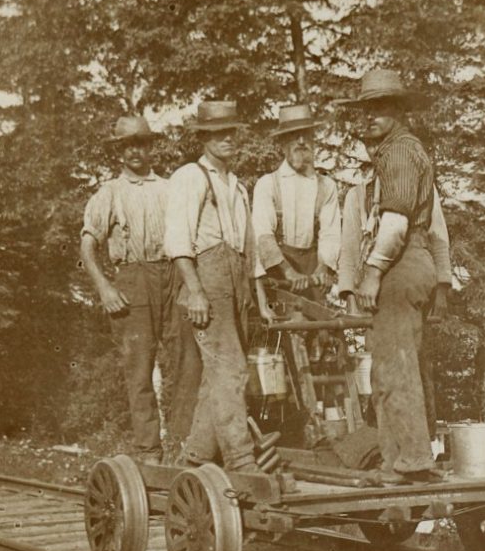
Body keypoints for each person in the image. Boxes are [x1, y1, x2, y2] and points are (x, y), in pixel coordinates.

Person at [337, 69, 442, 481]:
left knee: (394, 366)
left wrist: (373, 273)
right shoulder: (399, 151)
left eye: (380, 108)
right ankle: (395, 459)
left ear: (399, 110)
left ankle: (411, 459)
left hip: (401, 261)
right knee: (391, 364)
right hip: (410, 261)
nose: (370, 117)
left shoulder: (399, 152)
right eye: (366, 109)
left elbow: (396, 224)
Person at [80, 115, 201, 465]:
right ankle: (149, 451)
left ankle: (186, 446)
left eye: (142, 144)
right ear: (119, 151)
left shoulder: (168, 188)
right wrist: (104, 287)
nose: (136, 151)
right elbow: (88, 247)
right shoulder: (109, 193)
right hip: (132, 279)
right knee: (139, 368)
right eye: (128, 145)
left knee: (188, 361)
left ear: (151, 148)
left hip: (172, 273)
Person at [164, 100, 259, 472]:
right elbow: (177, 241)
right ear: (203, 138)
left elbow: (245, 246)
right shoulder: (190, 177)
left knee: (217, 374)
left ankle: (195, 457)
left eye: (230, 132)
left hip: (235, 278)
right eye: (218, 133)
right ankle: (240, 460)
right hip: (207, 276)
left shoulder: (236, 185)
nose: (226, 139)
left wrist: (251, 291)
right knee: (230, 369)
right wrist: (196, 290)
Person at [337, 141, 452, 442]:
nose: (370, 171)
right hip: (372, 291)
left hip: (405, 279)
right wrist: (349, 296)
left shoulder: (413, 185)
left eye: (374, 165)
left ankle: (420, 441)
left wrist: (442, 287)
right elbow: (349, 247)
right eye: (364, 167)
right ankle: (384, 442)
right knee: (379, 366)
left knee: (411, 361)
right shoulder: (356, 196)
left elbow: (438, 236)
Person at [251, 102, 341, 307]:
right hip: (280, 275)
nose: (301, 142)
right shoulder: (268, 185)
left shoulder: (326, 186)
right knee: (283, 334)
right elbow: (263, 235)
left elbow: (331, 234)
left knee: (324, 333)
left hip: (313, 276)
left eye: (306, 135)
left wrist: (324, 268)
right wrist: (288, 272)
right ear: (282, 143)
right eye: (294, 136)